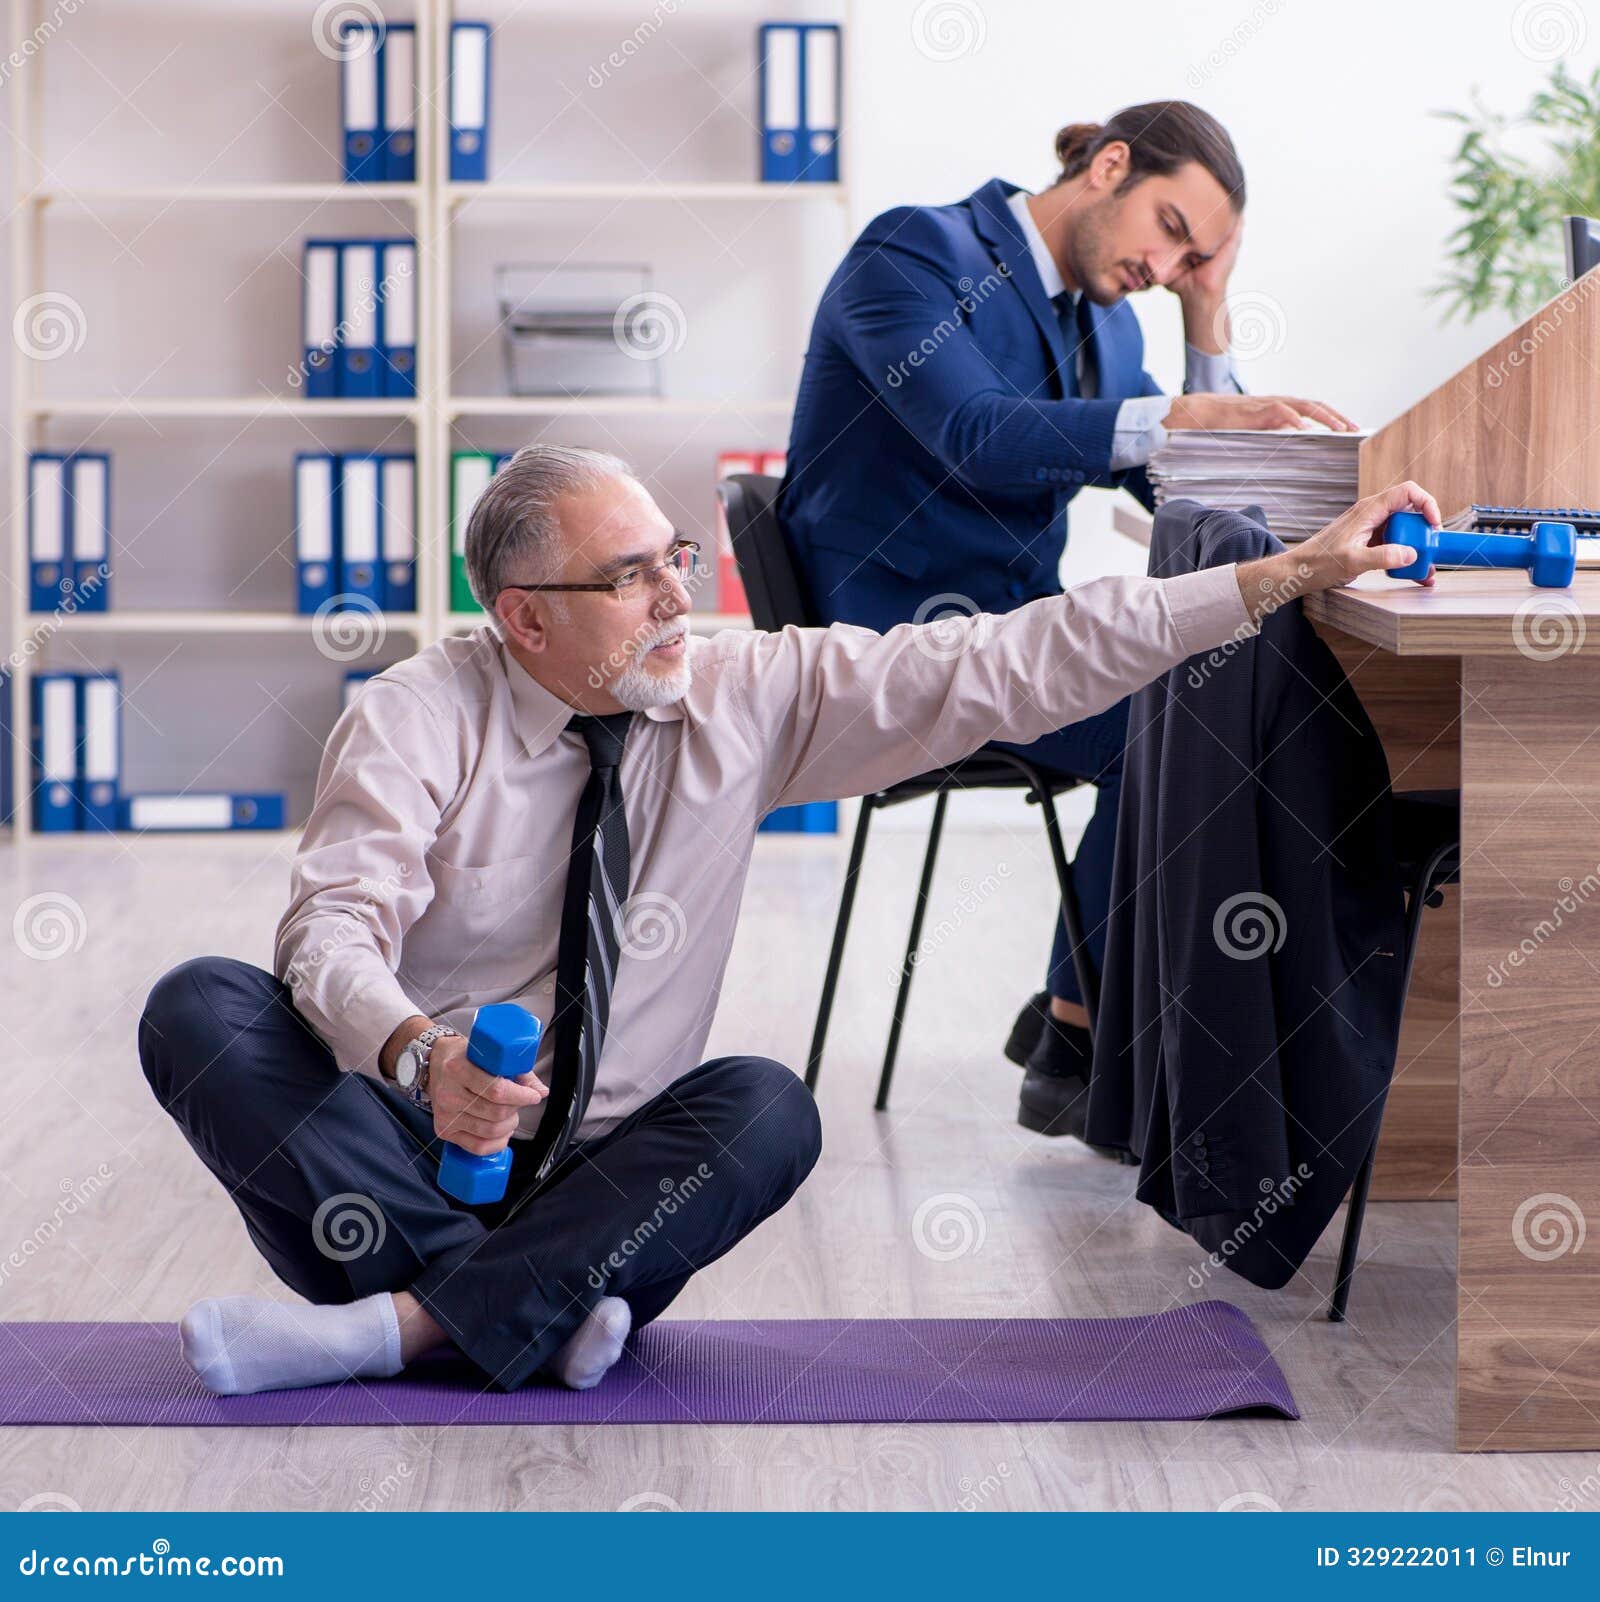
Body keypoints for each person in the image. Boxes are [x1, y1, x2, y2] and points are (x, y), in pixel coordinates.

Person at [138, 445, 1434, 1396]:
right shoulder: (420, 709)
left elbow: (1004, 658)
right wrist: (423, 1058)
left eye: (675, 559)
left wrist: (1287, 575)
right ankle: (534, 1302)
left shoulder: (742, 690)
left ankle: (394, 1331)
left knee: (769, 1102)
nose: (674, 598)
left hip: (612, 1171)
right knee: (202, 1004)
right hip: (407, 1145)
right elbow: (331, 931)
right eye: (629, 575)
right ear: (523, 617)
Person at [779, 101, 1356, 1146]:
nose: (1167, 262)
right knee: (1180, 717)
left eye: (1195, 254)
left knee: (1228, 688)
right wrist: (1186, 415)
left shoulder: (1103, 318)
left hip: (1010, 640)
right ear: (1111, 167)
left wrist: (1206, 325)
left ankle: (1078, 1024)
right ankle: (1078, 1044)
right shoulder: (918, 251)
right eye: (1170, 229)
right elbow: (975, 433)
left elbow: (1176, 490)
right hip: (891, 646)